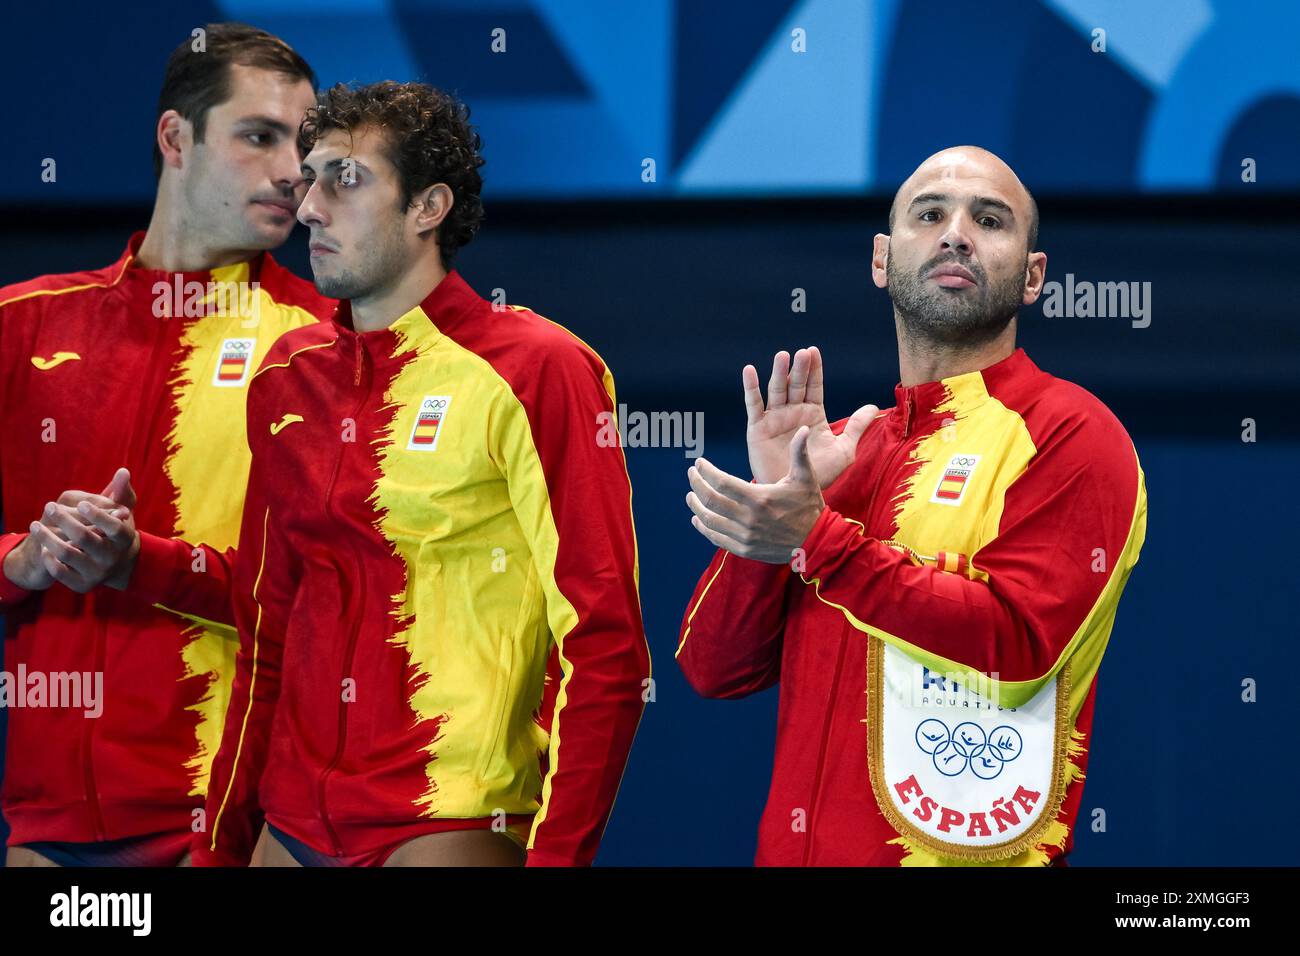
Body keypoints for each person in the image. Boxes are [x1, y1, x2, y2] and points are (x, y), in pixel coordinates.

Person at [176, 81, 649, 866]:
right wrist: (224, 843)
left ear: (428, 208)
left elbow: (605, 645)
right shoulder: (287, 377)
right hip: (291, 822)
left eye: (346, 180)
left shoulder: (538, 370)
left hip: (449, 817)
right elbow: (267, 628)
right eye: (310, 177)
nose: (311, 208)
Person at [678, 146, 1147, 866]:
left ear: (1033, 276)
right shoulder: (837, 453)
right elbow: (715, 669)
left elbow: (1017, 648)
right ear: (881, 259)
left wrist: (820, 540)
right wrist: (776, 515)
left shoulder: (1072, 433)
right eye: (930, 213)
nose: (955, 232)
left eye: (989, 220)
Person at [0, 23, 333, 867]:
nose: (293, 171)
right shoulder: (22, 325)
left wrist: (138, 564)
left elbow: (340, 601)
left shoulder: (333, 346)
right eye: (259, 136)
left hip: (236, 818)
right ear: (174, 138)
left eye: (306, 144)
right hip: (47, 827)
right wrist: (22, 562)